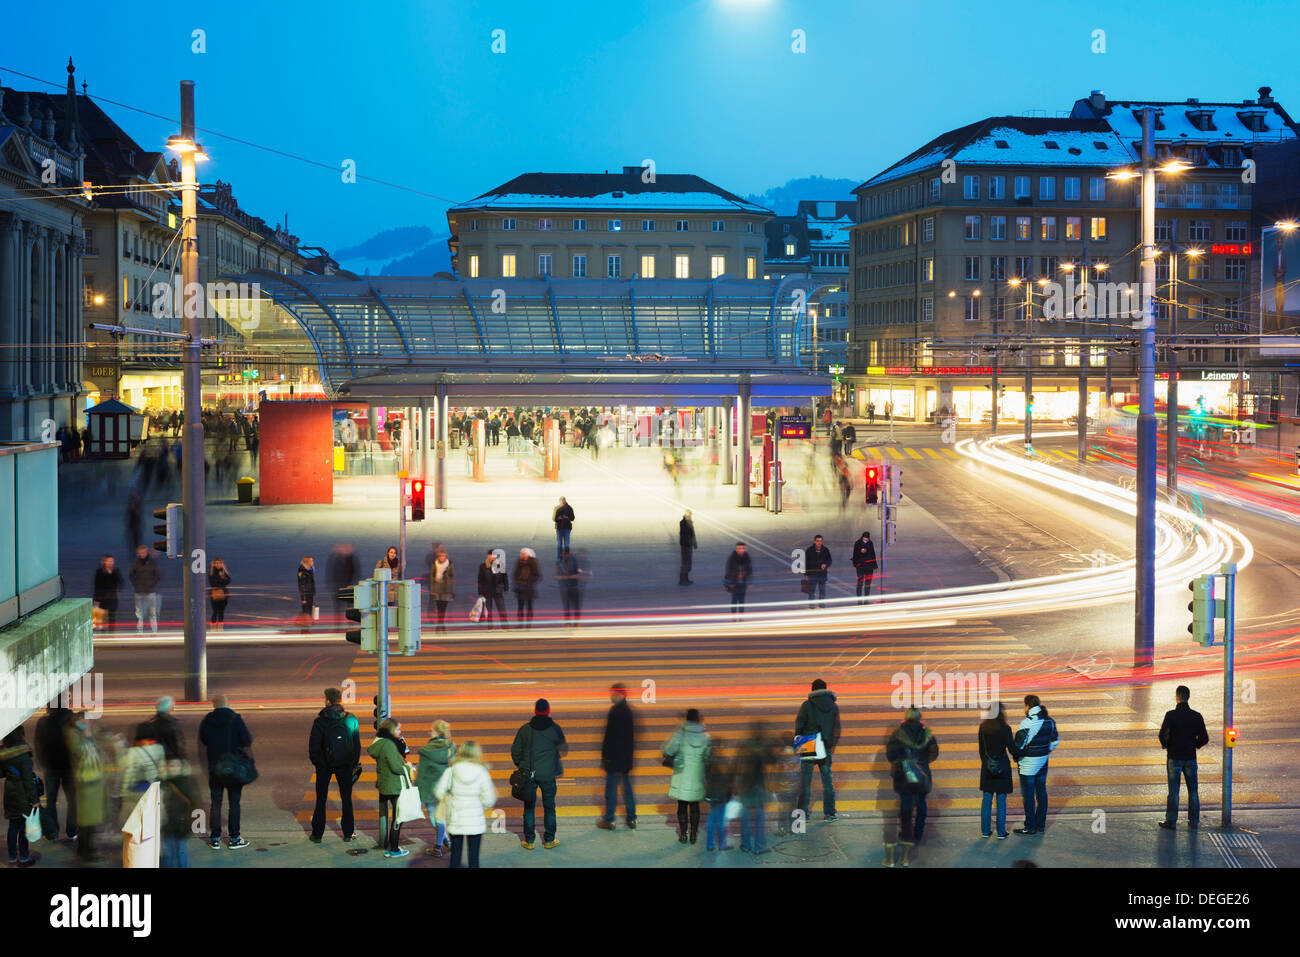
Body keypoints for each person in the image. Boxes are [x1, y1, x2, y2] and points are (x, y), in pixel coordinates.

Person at [510, 698, 568, 850]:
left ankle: (529, 841)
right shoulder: (555, 728)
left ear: (535, 711)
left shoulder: (525, 729)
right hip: (548, 775)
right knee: (549, 807)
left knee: (529, 806)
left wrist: (521, 765)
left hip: (529, 774)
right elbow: (564, 749)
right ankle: (549, 839)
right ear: (548, 711)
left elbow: (515, 751)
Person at [884, 707, 939, 866]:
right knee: (921, 802)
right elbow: (934, 753)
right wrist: (921, 763)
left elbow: (891, 754)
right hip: (922, 774)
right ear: (919, 717)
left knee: (906, 806)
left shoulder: (898, 734)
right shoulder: (926, 733)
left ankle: (906, 834)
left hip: (904, 774)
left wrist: (902, 762)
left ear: (906, 717)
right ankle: (918, 833)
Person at [197, 695, 253, 850]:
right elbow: (247, 740)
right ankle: (234, 838)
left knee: (216, 803)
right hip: (233, 767)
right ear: (227, 704)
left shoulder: (208, 720)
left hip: (215, 767)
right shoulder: (235, 719)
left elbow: (203, 739)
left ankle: (215, 838)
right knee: (234, 803)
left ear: (213, 705)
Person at [308, 687, 361, 843]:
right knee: (346, 799)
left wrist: (319, 764)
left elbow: (314, 747)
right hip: (345, 765)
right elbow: (356, 745)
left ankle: (317, 834)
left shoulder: (319, 721)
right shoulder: (351, 719)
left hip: (324, 767)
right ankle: (348, 833)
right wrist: (352, 764)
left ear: (328, 701)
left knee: (321, 799)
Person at [432, 740, 496, 868]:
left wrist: (451, 798)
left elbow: (439, 792)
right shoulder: (481, 771)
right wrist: (480, 805)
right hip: (475, 819)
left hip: (456, 817)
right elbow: (489, 799)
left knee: (455, 857)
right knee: (474, 858)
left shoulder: (451, 770)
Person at [1158, 685, 1209, 831]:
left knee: (1174, 791)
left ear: (1177, 697)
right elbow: (1204, 738)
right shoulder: (1196, 716)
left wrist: (1166, 745)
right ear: (1188, 697)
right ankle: (1194, 821)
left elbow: (1163, 735)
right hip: (1190, 757)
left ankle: (1171, 821)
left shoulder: (1170, 715)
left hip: (1174, 757)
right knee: (1193, 790)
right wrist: (1195, 745)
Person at [794, 678, 842, 823]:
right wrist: (831, 746)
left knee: (806, 782)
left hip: (808, 745)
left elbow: (799, 725)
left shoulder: (807, 705)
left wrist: (799, 744)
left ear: (812, 690)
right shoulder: (833, 706)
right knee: (827, 782)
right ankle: (830, 813)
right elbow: (837, 729)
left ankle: (803, 814)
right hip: (825, 745)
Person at [1013, 694, 1059, 836]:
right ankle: (1041, 825)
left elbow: (1018, 746)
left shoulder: (1027, 723)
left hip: (1027, 765)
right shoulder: (1049, 721)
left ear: (1027, 706)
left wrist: (1017, 758)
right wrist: (1045, 751)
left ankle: (1030, 826)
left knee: (1028, 796)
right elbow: (1055, 741)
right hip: (1043, 763)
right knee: (1041, 794)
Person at [663, 708, 712, 844]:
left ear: (687, 719)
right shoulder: (705, 737)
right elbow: (708, 759)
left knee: (682, 806)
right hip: (697, 777)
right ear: (698, 719)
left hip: (681, 776)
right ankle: (693, 835)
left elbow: (668, 750)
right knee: (695, 806)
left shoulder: (680, 735)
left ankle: (683, 834)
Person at [65, 713, 107, 862]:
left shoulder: (79, 733)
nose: (88, 723)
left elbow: (98, 751)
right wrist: (88, 735)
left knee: (89, 818)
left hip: (92, 782)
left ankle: (86, 848)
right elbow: (80, 752)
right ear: (78, 720)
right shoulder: (73, 734)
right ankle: (87, 850)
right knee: (87, 819)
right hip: (85, 781)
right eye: (85, 720)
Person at [368, 718, 410, 858]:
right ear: (392, 730)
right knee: (398, 817)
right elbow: (396, 767)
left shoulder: (381, 742)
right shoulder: (389, 745)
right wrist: (408, 767)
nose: (400, 731)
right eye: (398, 729)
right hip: (394, 785)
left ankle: (392, 847)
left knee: (395, 816)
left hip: (385, 783)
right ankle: (394, 849)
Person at [34, 702, 76, 841]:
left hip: (51, 768)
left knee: (51, 801)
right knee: (72, 800)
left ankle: (52, 833)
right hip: (70, 767)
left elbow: (38, 744)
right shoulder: (72, 719)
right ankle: (72, 831)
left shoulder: (43, 721)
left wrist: (42, 762)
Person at [598, 684, 636, 830]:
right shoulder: (628, 711)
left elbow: (610, 738)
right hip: (625, 759)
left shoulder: (615, 712)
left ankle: (609, 819)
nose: (611, 696)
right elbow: (630, 739)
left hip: (614, 759)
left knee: (611, 791)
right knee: (627, 790)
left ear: (620, 695)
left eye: (613, 694)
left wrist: (605, 757)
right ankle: (631, 819)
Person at [1, 727, 40, 866]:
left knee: (12, 826)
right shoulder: (24, 752)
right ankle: (24, 857)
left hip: (10, 791)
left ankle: (12, 857)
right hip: (22, 792)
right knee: (23, 826)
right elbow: (28, 780)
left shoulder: (3, 751)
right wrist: (34, 800)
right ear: (20, 734)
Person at [978, 702, 1016, 840]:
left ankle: (985, 831)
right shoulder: (1005, 729)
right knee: (1001, 800)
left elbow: (981, 751)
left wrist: (988, 764)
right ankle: (1001, 832)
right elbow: (1012, 749)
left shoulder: (983, 728)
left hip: (987, 767)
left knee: (986, 799)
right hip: (1002, 767)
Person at [418, 720, 456, 856]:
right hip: (445, 788)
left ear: (435, 732)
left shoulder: (427, 749)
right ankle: (445, 842)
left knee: (435, 818)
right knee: (441, 817)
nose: (430, 732)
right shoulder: (451, 746)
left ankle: (439, 846)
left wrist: (418, 788)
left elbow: (422, 772)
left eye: (431, 730)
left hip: (430, 788)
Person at [738, 722, 775, 854]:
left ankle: (745, 845)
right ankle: (759, 847)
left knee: (745, 817)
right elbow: (773, 760)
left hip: (745, 784)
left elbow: (737, 764)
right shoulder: (763, 746)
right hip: (758, 785)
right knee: (760, 818)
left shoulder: (744, 745)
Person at [159, 758, 201, 867]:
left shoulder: (187, 782)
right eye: (170, 766)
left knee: (180, 851)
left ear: (181, 768)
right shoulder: (163, 782)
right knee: (169, 854)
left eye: (175, 766)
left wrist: (192, 822)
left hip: (182, 824)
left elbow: (195, 803)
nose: (172, 768)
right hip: (167, 824)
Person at [703, 740, 733, 851]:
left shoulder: (708, 762)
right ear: (719, 748)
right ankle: (722, 844)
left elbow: (705, 778)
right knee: (720, 820)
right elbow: (728, 780)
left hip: (711, 795)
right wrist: (729, 794)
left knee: (711, 820)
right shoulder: (723, 762)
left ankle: (710, 844)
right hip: (721, 795)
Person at [137, 695, 186, 761]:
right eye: (173, 706)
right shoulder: (171, 725)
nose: (174, 709)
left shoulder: (147, 724)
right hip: (168, 762)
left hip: (153, 761)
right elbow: (177, 746)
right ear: (169, 708)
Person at [129, 544, 161, 633]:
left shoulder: (152, 562)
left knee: (152, 612)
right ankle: (140, 630)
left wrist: (151, 584)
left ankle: (154, 630)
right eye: (140, 553)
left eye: (143, 552)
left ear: (146, 552)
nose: (142, 554)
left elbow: (157, 575)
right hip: (139, 591)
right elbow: (131, 575)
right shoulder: (136, 563)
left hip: (150, 591)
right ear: (138, 553)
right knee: (139, 613)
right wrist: (136, 585)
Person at [477, 551, 509, 628]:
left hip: (497, 590)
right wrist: (480, 592)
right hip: (487, 591)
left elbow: (505, 577)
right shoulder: (483, 566)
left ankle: (505, 626)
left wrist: (506, 588)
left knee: (501, 608)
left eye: (494, 555)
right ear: (488, 556)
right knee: (488, 610)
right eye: (491, 555)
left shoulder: (500, 565)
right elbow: (480, 580)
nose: (492, 557)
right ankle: (490, 626)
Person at [327, 544, 359, 618]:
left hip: (348, 586)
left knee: (349, 605)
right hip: (337, 587)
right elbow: (332, 572)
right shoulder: (336, 559)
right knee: (337, 607)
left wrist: (352, 584)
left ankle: (349, 622)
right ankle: (338, 623)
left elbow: (354, 572)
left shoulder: (351, 559)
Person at [513, 547, 542, 627]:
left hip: (529, 588)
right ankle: (520, 624)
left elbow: (537, 575)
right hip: (520, 588)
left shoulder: (533, 562)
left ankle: (528, 624)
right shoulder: (519, 562)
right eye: (522, 554)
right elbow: (515, 574)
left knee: (529, 606)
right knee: (520, 607)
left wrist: (529, 582)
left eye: (524, 554)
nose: (523, 555)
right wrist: (517, 582)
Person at [429, 547, 455, 632]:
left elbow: (452, 576)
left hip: (446, 590)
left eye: (443, 556)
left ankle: (441, 624)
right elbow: (431, 576)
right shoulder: (435, 564)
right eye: (440, 556)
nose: (442, 557)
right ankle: (440, 624)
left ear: (446, 557)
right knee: (439, 608)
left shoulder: (449, 565)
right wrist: (435, 580)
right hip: (437, 589)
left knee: (443, 608)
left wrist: (448, 581)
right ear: (438, 557)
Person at [93, 555, 123, 629]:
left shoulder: (116, 571)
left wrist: (118, 591)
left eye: (112, 561)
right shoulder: (99, 572)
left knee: (112, 617)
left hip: (113, 598)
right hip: (102, 598)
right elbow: (97, 586)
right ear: (104, 562)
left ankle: (111, 633)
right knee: (102, 618)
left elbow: (121, 582)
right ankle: (102, 634)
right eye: (109, 561)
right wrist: (96, 599)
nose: (111, 563)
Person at [724, 543, 753, 618]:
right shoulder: (732, 558)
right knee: (734, 600)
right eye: (739, 548)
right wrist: (730, 582)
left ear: (745, 549)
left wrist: (749, 582)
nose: (741, 550)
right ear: (736, 549)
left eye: (742, 548)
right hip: (734, 582)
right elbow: (728, 570)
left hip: (743, 582)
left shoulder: (747, 558)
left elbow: (750, 570)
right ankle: (733, 616)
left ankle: (741, 617)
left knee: (742, 601)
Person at [804, 535, 832, 609]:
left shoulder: (825, 550)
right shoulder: (809, 550)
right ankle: (812, 605)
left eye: (820, 541)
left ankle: (821, 604)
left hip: (822, 574)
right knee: (812, 590)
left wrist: (825, 564)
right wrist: (806, 574)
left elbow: (829, 560)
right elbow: (806, 562)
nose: (819, 542)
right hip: (812, 574)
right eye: (818, 541)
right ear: (814, 541)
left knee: (822, 590)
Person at [556, 548, 582, 625]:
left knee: (574, 606)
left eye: (564, 554)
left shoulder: (574, 562)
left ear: (568, 554)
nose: (563, 556)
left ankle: (575, 623)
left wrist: (571, 576)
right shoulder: (560, 562)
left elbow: (579, 574)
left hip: (573, 586)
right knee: (568, 606)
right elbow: (557, 575)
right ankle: (569, 623)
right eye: (563, 554)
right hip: (567, 587)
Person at [851, 531, 877, 604]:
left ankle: (866, 600)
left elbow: (873, 554)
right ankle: (859, 600)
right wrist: (860, 551)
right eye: (864, 539)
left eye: (867, 539)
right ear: (862, 537)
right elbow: (855, 554)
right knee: (860, 583)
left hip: (869, 566)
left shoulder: (870, 543)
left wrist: (875, 566)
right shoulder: (858, 543)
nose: (866, 540)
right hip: (860, 566)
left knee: (868, 584)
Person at [208, 558, 231, 630]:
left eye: (219, 563)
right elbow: (213, 582)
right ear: (213, 564)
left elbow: (228, 580)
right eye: (216, 563)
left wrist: (220, 580)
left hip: (224, 594)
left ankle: (220, 629)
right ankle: (213, 629)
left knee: (221, 611)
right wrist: (222, 580)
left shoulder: (224, 571)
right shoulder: (212, 572)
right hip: (214, 594)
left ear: (222, 564)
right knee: (215, 611)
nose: (218, 564)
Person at [679, 510, 697, 586]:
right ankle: (682, 580)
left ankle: (686, 579)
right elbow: (687, 534)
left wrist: (694, 543)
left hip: (689, 545)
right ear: (686, 515)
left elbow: (693, 534)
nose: (690, 517)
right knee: (685, 563)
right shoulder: (683, 523)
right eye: (689, 515)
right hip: (685, 546)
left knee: (688, 563)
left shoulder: (689, 522)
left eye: (690, 515)